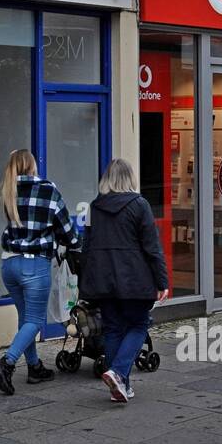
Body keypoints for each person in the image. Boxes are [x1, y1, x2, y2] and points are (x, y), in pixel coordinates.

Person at [0, 148, 79, 396]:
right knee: (36, 320)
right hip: (34, 265)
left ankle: (35, 367)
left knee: (25, 317)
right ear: (32, 166)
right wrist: (74, 243)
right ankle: (6, 363)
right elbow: (69, 232)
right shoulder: (47, 190)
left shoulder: (8, 190)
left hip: (9, 264)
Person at [81, 158, 168, 405]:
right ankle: (118, 373)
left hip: (103, 280)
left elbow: (87, 249)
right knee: (139, 325)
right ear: (130, 178)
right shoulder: (139, 205)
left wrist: (84, 284)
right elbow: (152, 248)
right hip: (134, 280)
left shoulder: (94, 207)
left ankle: (120, 387)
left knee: (113, 329)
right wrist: (162, 281)